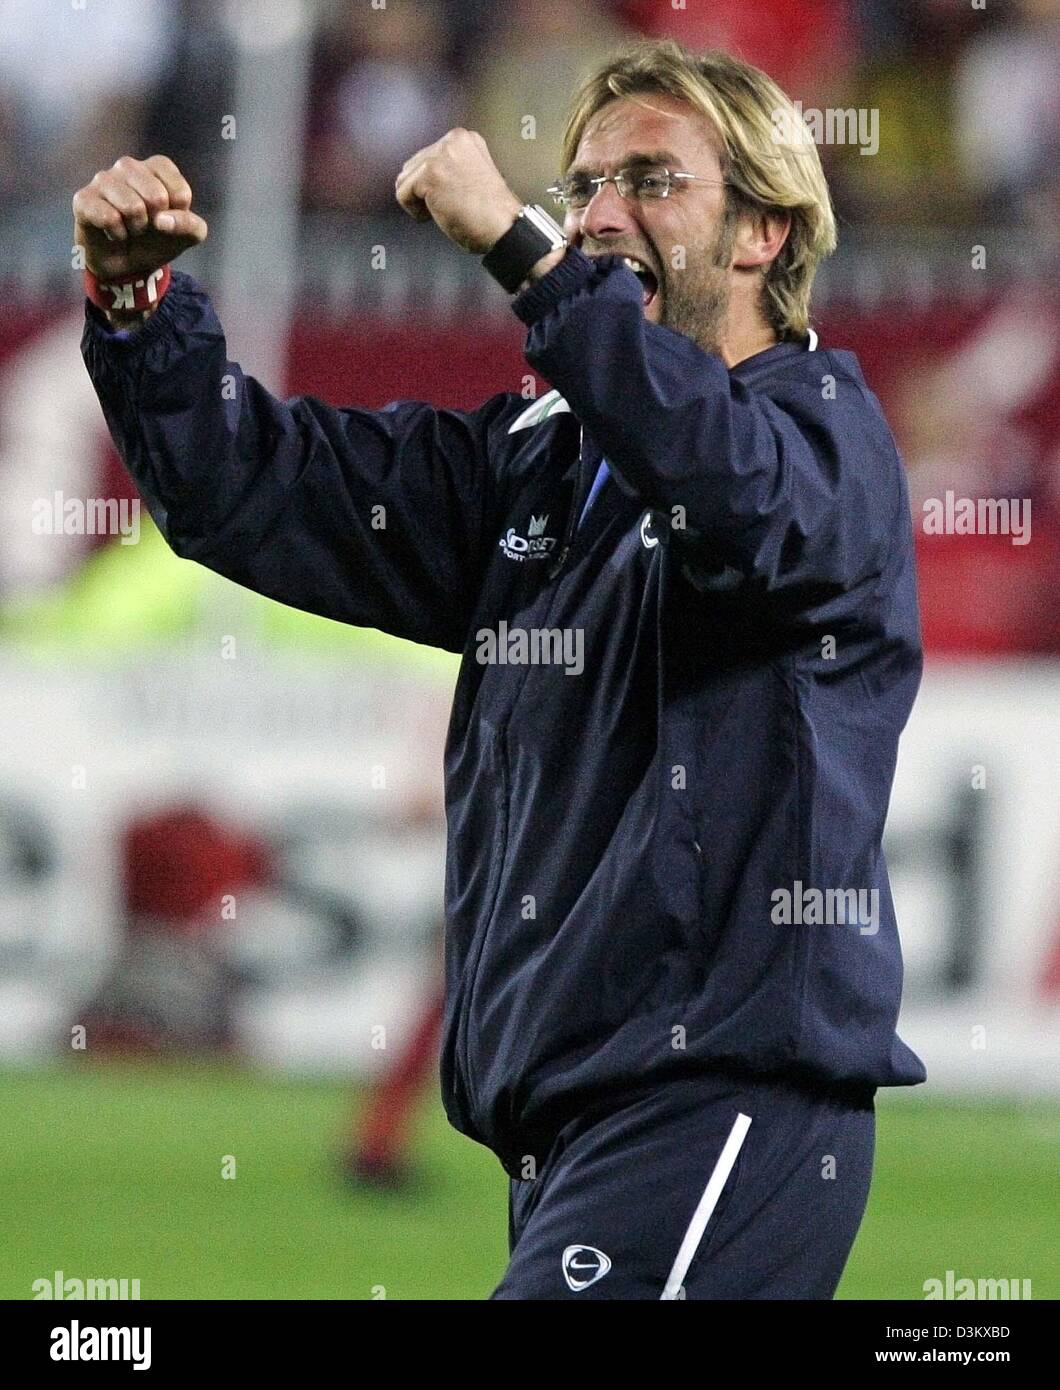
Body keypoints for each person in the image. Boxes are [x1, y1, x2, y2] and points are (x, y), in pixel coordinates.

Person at [74, 40, 925, 1300]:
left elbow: (719, 484)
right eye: (581, 189)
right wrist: (143, 320)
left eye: (651, 180)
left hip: (716, 1110)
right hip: (571, 1131)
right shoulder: (540, 463)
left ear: (764, 233)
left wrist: (521, 258)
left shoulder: (823, 438)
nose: (596, 218)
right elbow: (257, 490)